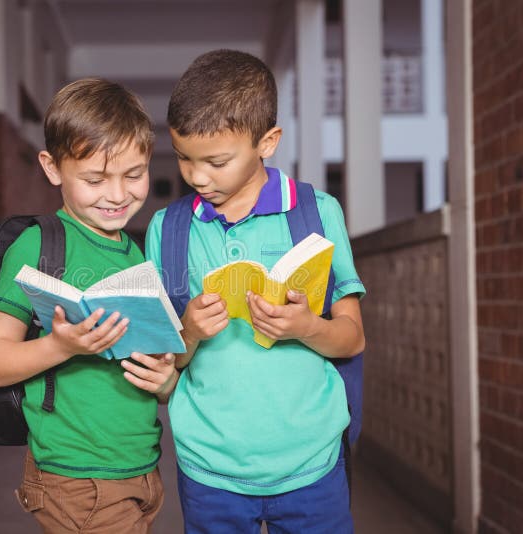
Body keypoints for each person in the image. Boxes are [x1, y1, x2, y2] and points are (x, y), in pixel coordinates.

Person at [144, 49, 366, 533]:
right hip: (209, 467)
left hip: (312, 463)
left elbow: (352, 338)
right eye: (183, 158)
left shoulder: (318, 213)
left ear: (267, 142)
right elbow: (164, 362)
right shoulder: (168, 229)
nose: (197, 177)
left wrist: (307, 326)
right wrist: (189, 332)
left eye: (217, 161)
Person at [0, 78, 178, 533]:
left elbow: (153, 359)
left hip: (141, 467)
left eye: (134, 173)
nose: (118, 194)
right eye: (94, 178)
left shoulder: (137, 252)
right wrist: (61, 346)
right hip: (76, 478)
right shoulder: (39, 247)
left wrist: (167, 381)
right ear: (52, 168)